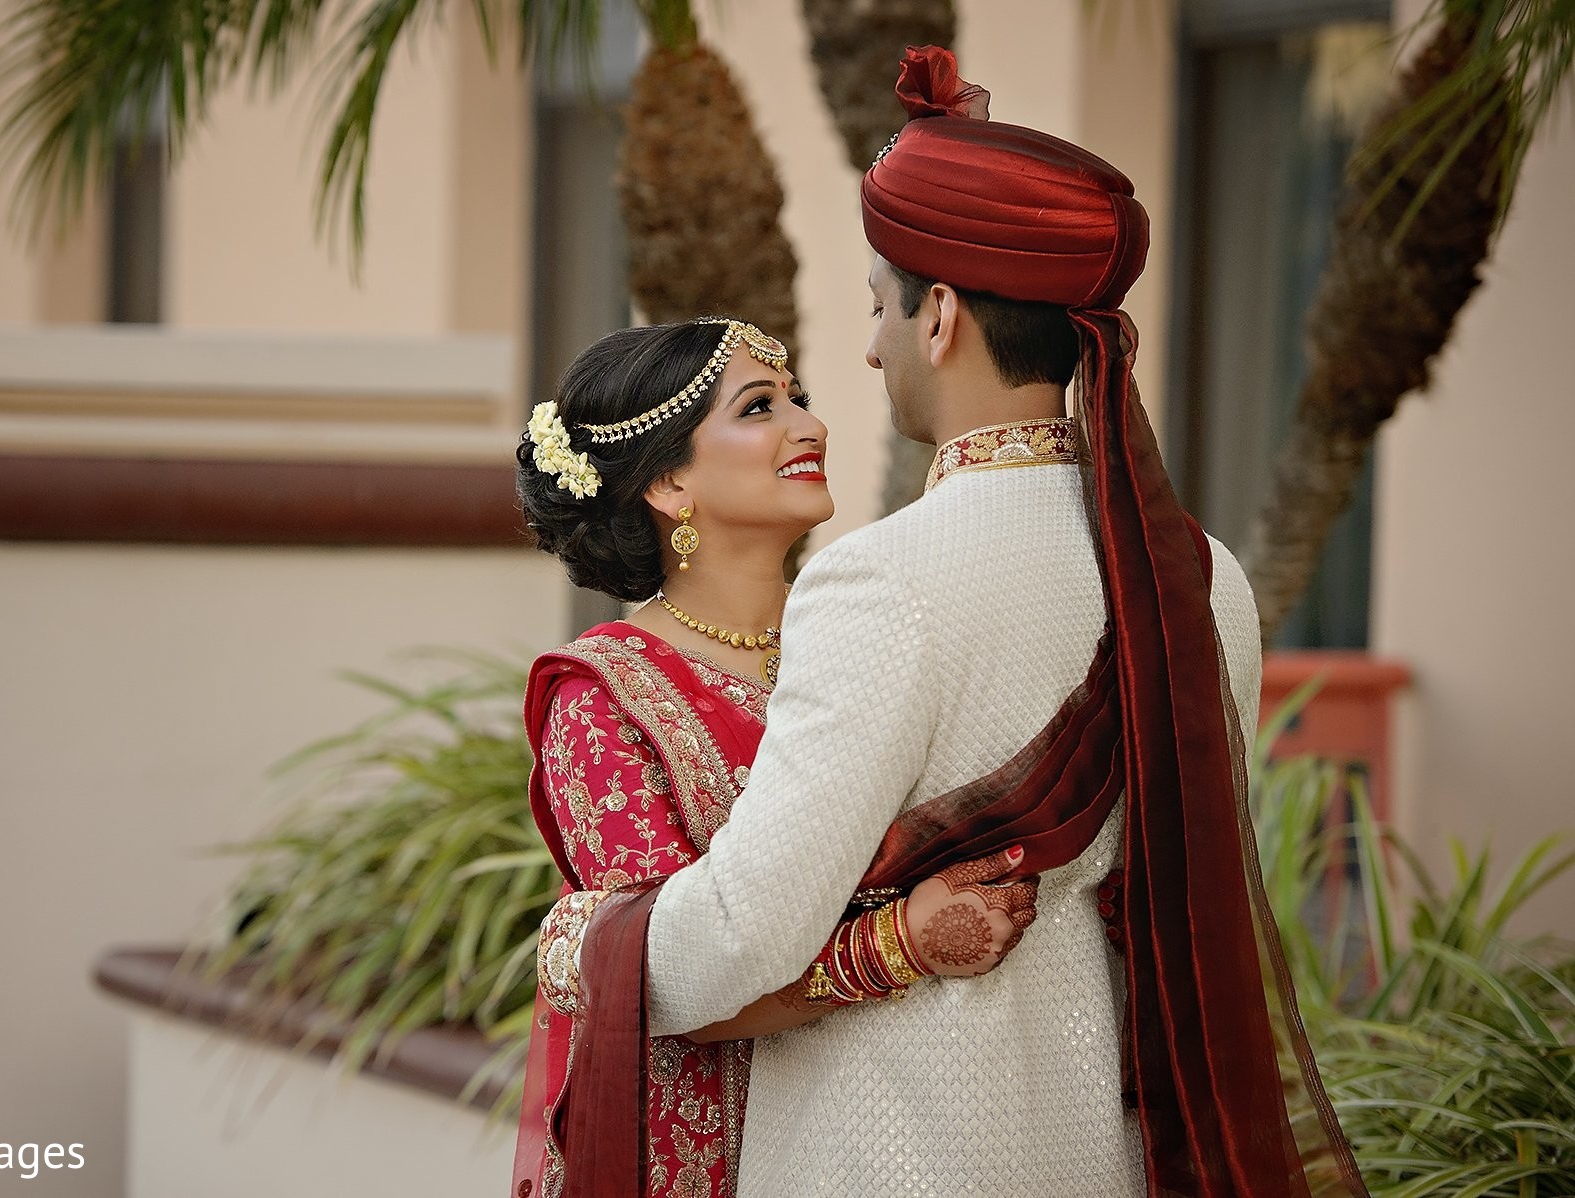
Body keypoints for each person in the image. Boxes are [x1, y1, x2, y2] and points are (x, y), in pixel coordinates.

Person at [541, 47, 1369, 1198]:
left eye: (880, 309)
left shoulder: (879, 583)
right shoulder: (1206, 573)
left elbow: (741, 934)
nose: (869, 351)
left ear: (940, 317)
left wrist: (582, 943)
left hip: (897, 1145)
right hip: (1117, 1148)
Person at [511, 317, 1040, 1198]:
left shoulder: (873, 624)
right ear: (672, 483)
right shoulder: (606, 698)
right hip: (705, 1143)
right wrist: (897, 945)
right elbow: (656, 973)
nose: (811, 425)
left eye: (799, 398)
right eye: (761, 407)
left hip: (909, 1113)